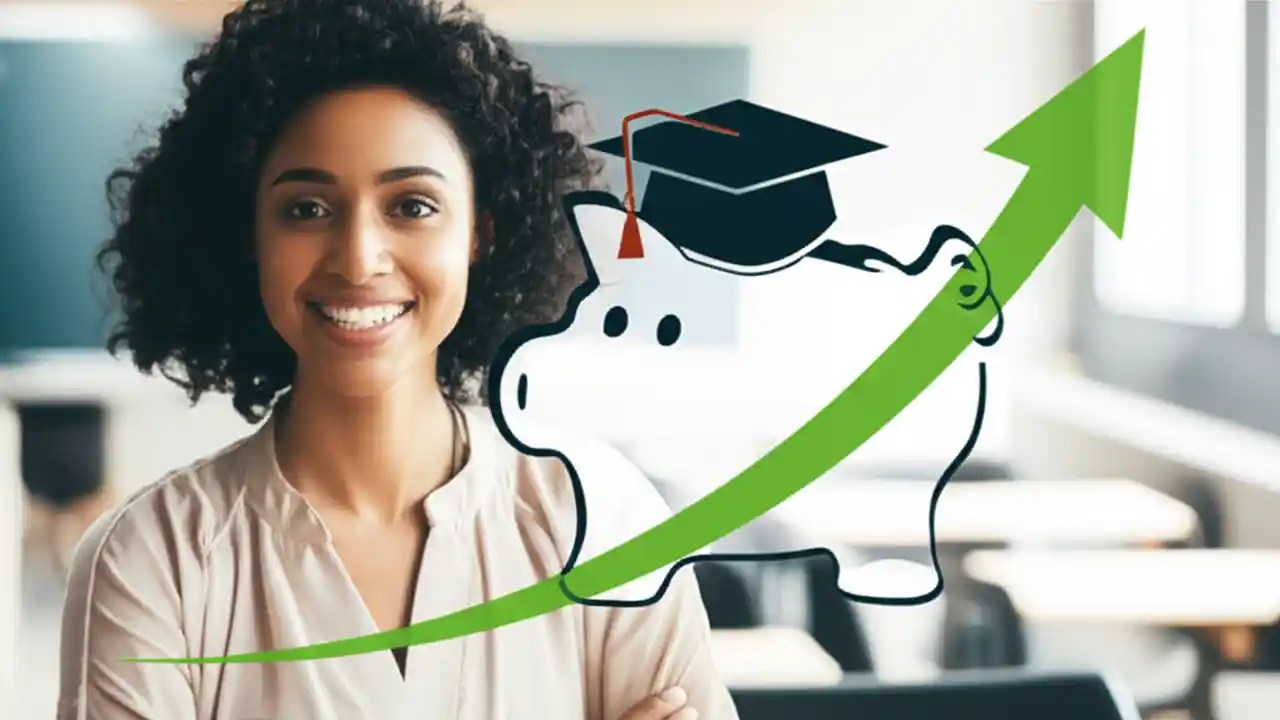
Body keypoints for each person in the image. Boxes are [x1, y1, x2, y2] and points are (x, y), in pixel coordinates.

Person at [57, 1, 738, 718]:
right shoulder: (153, 557)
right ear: (249, 235)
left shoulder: (599, 517)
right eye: (307, 208)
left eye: (412, 206)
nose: (358, 260)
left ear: (481, 233)